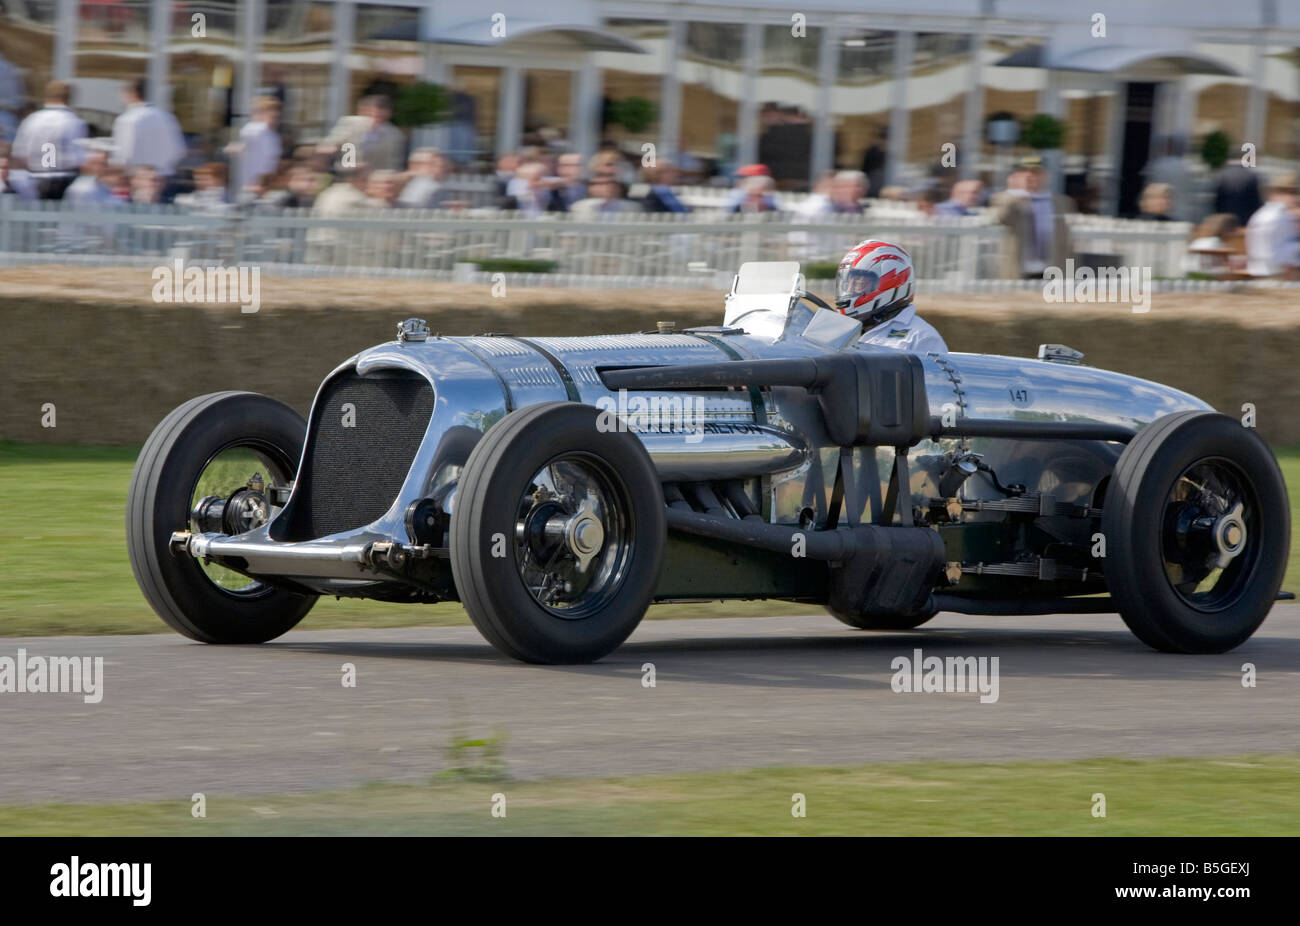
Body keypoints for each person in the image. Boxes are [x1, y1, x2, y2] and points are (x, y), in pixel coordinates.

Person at [837, 239, 947, 354]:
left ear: (889, 283)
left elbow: (934, 372)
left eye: (859, 283)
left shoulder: (921, 336)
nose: (850, 289)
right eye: (848, 283)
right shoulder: (838, 330)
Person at [991, 155, 1075, 279]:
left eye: (1035, 172)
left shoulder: (1062, 202)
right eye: (1023, 172)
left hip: (1052, 272)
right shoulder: (1006, 200)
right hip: (1018, 271)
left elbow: (1067, 241)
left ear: (1046, 176)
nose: (1029, 176)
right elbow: (1000, 218)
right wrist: (1016, 193)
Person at [10, 80, 86, 199]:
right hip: (64, 180)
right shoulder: (73, 121)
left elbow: (20, 155)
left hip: (34, 179)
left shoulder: (32, 120)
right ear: (68, 98)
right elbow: (79, 158)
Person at [110, 77, 186, 178]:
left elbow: (123, 155)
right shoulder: (168, 117)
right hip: (165, 177)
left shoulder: (128, 119)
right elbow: (179, 151)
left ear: (133, 93)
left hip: (137, 178)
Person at [319, 94, 405, 171]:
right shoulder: (349, 124)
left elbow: (394, 165)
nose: (374, 120)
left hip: (375, 180)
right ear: (362, 112)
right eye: (370, 115)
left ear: (388, 115)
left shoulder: (395, 135)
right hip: (345, 175)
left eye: (380, 117)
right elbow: (328, 145)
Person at [1244, 172, 1300, 278]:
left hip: (1255, 270)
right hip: (1277, 274)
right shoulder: (1283, 216)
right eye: (1295, 193)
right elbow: (1281, 254)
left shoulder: (1260, 214)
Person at [227, 96, 282, 194]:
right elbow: (245, 137)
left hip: (265, 186)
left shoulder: (274, 137)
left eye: (277, 116)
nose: (275, 118)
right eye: (272, 114)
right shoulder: (254, 129)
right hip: (248, 186)